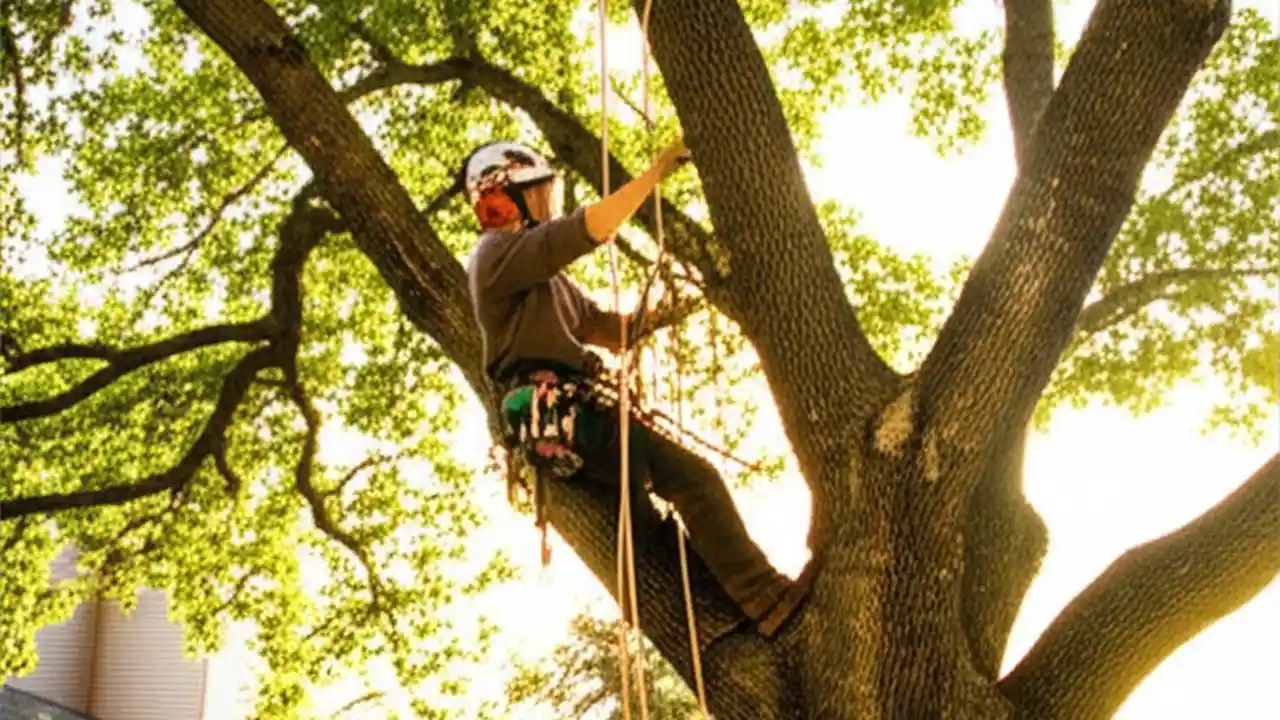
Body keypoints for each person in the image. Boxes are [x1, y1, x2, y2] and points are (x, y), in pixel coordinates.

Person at [461, 139, 808, 636]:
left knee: (649, 524)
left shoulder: (548, 281)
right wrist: (656, 174)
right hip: (557, 407)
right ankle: (764, 596)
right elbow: (590, 229)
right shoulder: (494, 255)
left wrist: (668, 308)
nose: (546, 202)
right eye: (535, 192)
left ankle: (731, 613)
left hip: (567, 410)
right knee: (695, 479)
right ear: (502, 195)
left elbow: (610, 332)